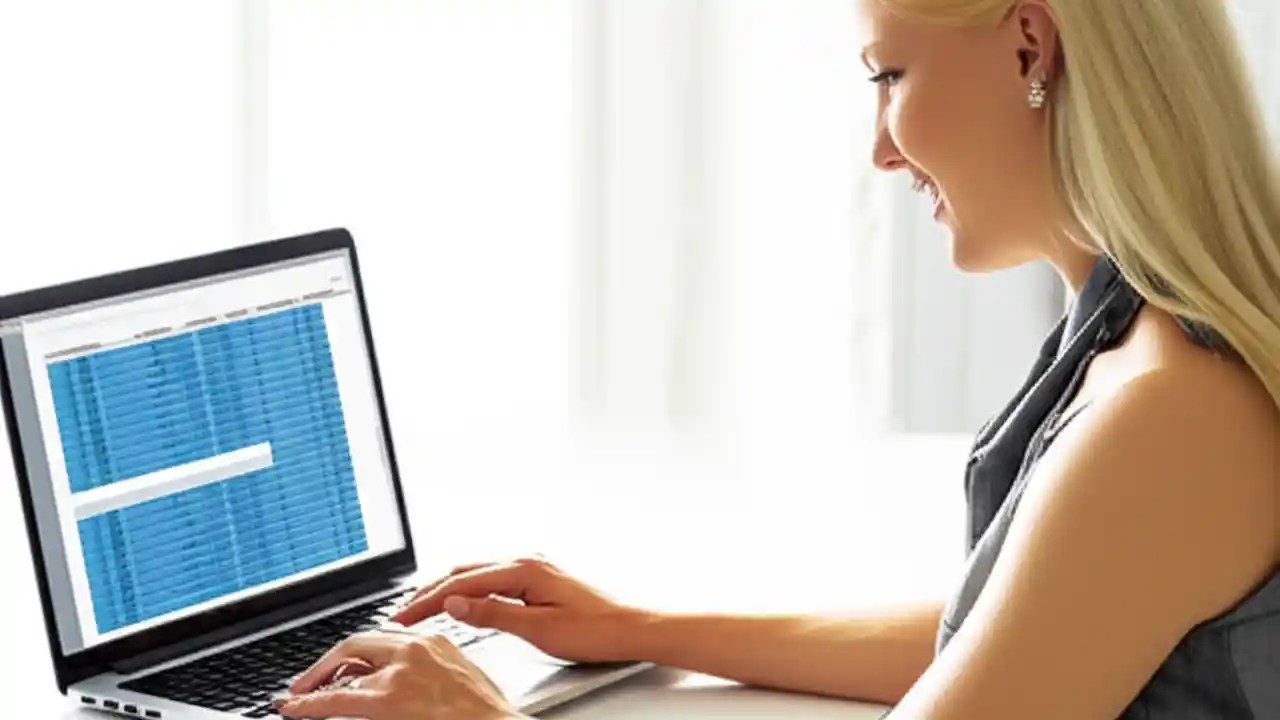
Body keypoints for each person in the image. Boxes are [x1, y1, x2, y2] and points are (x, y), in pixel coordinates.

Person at [276, 0, 1280, 717]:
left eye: (888, 74)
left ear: (1029, 46)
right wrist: (643, 627)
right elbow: (1020, 634)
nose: (878, 150)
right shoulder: (1129, 335)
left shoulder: (1167, 412)